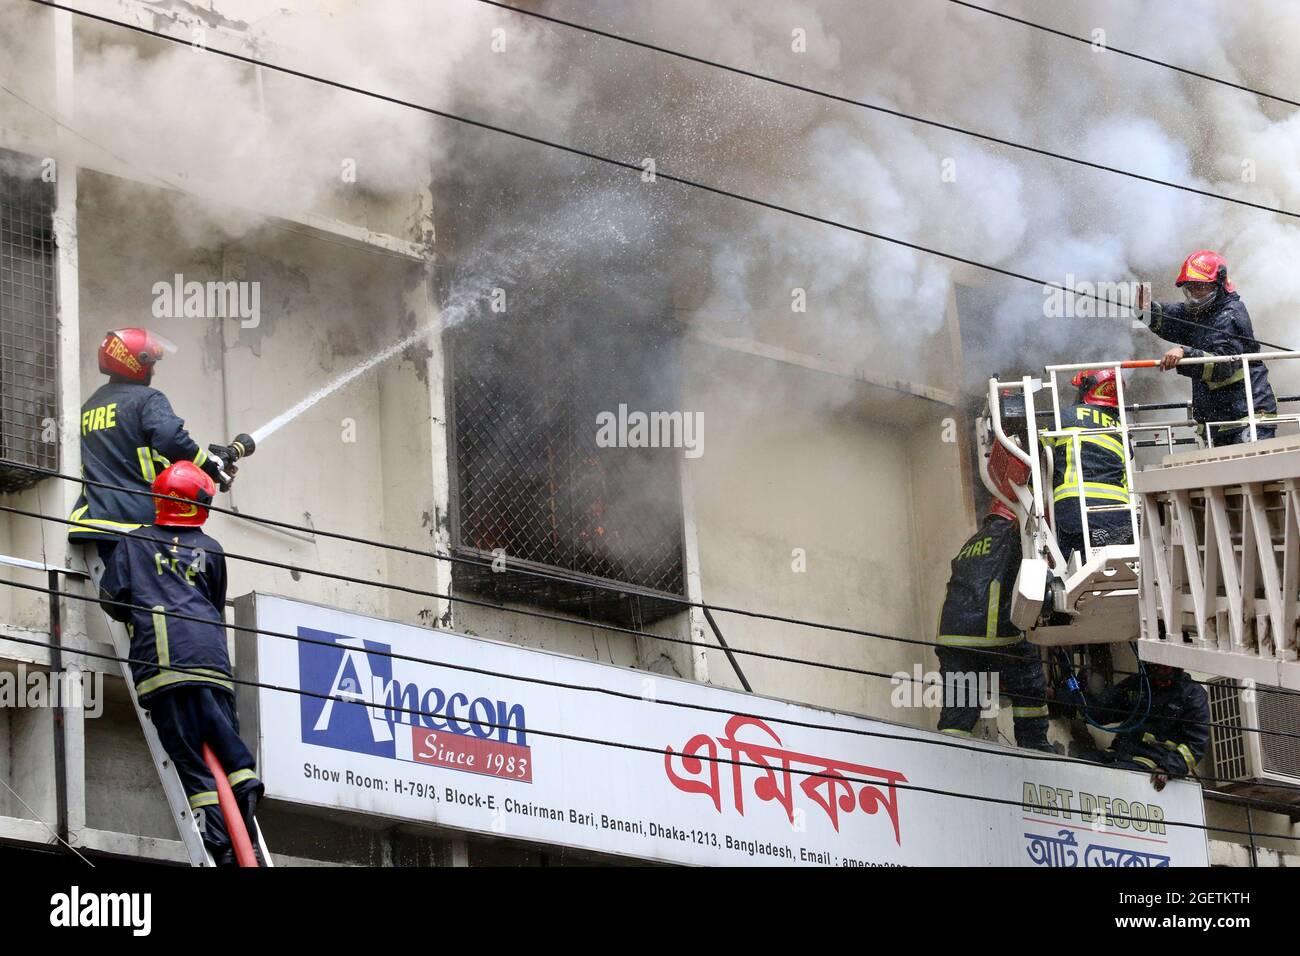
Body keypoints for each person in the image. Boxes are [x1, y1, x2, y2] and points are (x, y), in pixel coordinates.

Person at [99, 460, 264, 866]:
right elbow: (213, 598)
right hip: (213, 665)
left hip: (164, 671)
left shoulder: (135, 544)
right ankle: (248, 828)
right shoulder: (211, 549)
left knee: (191, 761)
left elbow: (111, 598)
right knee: (232, 754)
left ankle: (224, 849)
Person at [69, 328, 247, 564]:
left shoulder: (89, 407)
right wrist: (209, 468)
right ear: (135, 363)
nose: (153, 370)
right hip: (138, 522)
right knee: (189, 566)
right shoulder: (147, 399)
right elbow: (170, 439)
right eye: (151, 363)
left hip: (97, 523)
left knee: (122, 593)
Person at [935, 468, 1055, 752]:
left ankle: (949, 754)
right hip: (993, 635)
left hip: (953, 641)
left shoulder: (973, 542)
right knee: (1029, 681)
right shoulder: (1016, 533)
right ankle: (1035, 746)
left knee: (958, 710)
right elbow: (1038, 575)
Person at [1137, 250, 1277, 446]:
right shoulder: (1202, 311)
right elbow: (1168, 318)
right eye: (1190, 288)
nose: (1194, 295)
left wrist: (1184, 353)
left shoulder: (1231, 314)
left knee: (1255, 476)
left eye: (1201, 287)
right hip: (1221, 422)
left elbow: (1223, 365)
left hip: (1246, 418)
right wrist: (1143, 307)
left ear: (1218, 284)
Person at [1043, 368, 1134, 565]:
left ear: (1087, 389)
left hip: (1073, 512)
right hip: (1119, 516)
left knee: (1072, 569)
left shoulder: (1064, 417)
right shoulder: (1120, 428)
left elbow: (1043, 455)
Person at [1070, 662, 1209, 790]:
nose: (1161, 673)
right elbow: (1102, 709)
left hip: (1153, 762)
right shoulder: (1139, 683)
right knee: (1077, 765)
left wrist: (1167, 768)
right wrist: (1062, 701)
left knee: (1110, 776)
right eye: (1157, 667)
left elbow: (1196, 744)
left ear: (1177, 668)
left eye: (1166, 668)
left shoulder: (1193, 694)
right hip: (1118, 753)